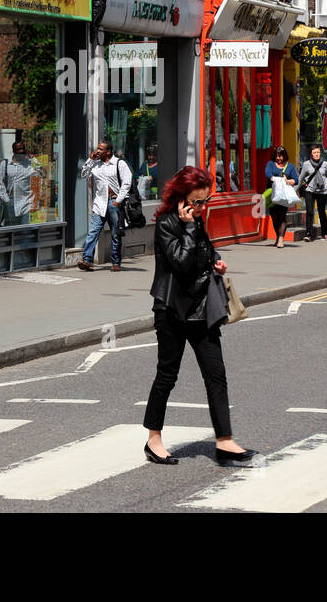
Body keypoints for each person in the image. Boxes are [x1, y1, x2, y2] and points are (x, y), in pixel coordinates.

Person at [144, 166, 255, 467]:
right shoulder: (167, 224)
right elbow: (180, 264)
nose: (202, 207)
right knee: (167, 375)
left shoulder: (197, 221)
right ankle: (153, 439)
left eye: (205, 201)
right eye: (197, 201)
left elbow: (204, 253)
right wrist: (190, 229)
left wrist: (217, 262)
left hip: (201, 310)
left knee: (216, 374)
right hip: (171, 311)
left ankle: (224, 440)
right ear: (182, 199)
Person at [79, 140, 131, 271]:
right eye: (97, 149)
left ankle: (116, 262)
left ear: (108, 151)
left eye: (100, 149)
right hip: (99, 204)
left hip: (114, 203)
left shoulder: (119, 163)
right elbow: (84, 175)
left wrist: (118, 200)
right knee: (92, 233)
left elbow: (127, 182)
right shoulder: (95, 165)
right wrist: (90, 160)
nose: (97, 151)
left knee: (115, 234)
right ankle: (87, 260)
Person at [0, 140, 41, 226]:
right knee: (11, 230)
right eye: (19, 149)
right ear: (14, 151)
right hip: (10, 201)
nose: (21, 151)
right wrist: (5, 199)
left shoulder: (30, 164)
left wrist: (32, 157)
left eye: (23, 149)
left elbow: (42, 172)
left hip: (26, 202)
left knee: (25, 230)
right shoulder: (5, 164)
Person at [264, 146, 299, 248]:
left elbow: (295, 179)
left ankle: (281, 239)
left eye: (281, 156)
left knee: (282, 216)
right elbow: (267, 173)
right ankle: (277, 236)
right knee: (274, 217)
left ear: (285, 156)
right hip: (273, 194)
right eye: (277, 156)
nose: (279, 158)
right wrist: (274, 179)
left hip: (284, 195)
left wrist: (287, 181)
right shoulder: (270, 164)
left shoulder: (290, 166)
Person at [299, 144, 327, 240]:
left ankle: (324, 233)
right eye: (315, 153)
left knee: (322, 212)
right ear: (311, 154)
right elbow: (300, 178)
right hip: (310, 191)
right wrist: (294, 189)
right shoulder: (306, 164)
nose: (317, 154)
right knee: (309, 212)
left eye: (318, 152)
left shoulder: (325, 164)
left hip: (322, 191)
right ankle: (308, 234)